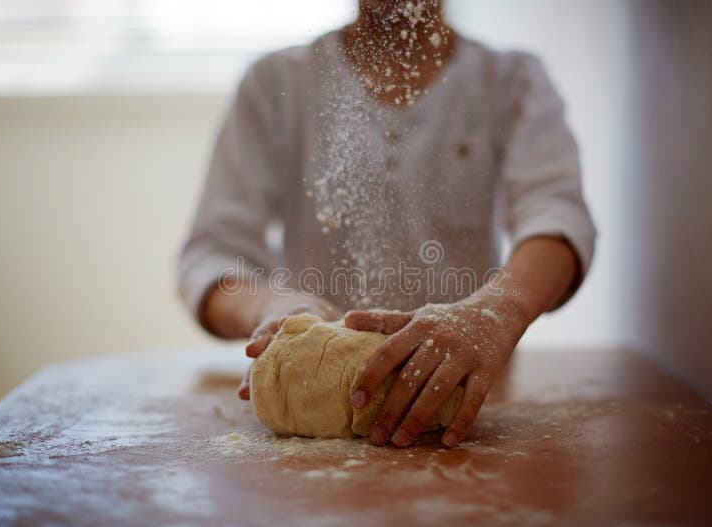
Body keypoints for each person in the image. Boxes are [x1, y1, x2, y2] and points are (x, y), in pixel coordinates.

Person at [178, 0, 596, 448]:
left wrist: (493, 315)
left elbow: (556, 214)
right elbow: (210, 255)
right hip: (310, 411)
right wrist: (268, 307)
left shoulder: (509, 82)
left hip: (466, 401)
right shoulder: (278, 83)